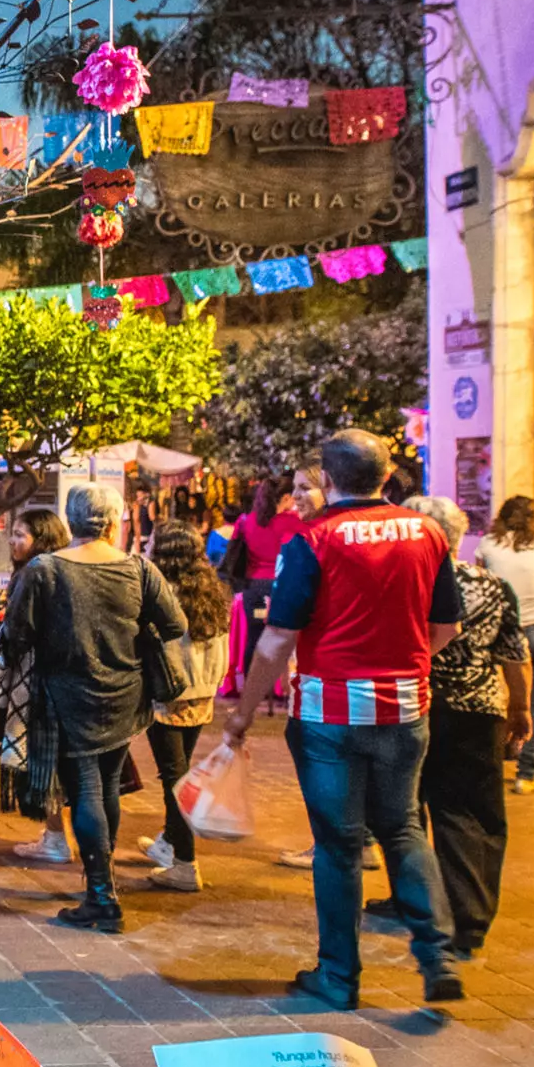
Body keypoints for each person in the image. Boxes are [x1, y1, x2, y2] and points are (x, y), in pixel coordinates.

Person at [225, 430, 466, 1009]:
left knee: (337, 845)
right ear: (385, 477)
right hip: (405, 708)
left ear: (328, 480)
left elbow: (278, 638)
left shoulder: (313, 541)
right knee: (403, 828)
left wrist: (242, 712)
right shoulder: (427, 534)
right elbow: (447, 627)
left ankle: (339, 975)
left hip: (329, 714)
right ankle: (437, 953)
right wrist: (402, 665)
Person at [0, 484, 189, 933]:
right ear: (111, 520)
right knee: (104, 787)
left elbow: (15, 635)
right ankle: (101, 885)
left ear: (71, 520)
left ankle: (102, 896)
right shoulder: (138, 568)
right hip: (125, 697)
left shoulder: (45, 570)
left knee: (86, 790)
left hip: (67, 696)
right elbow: (175, 623)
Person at [405, 496, 530, 961]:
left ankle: (437, 908)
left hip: (421, 707)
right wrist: (519, 708)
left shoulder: (412, 583)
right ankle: (473, 912)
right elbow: (514, 653)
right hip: (481, 709)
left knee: (417, 811)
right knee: (477, 814)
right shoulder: (493, 586)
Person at [137, 520, 232, 893]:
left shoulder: (160, 593)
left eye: (151, 543)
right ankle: (169, 842)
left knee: (175, 779)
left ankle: (185, 863)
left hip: (168, 693)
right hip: (201, 693)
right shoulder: (209, 590)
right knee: (180, 770)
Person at [477, 494, 534, 792]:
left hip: (509, 630)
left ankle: (497, 759)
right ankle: (526, 775)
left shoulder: (489, 546)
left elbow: (486, 586)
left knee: (507, 698)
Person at [0, 508, 74, 865]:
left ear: (41, 538)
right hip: (62, 680)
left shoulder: (35, 573)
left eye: (21, 534)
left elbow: (20, 631)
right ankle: (57, 835)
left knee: (45, 759)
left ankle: (57, 838)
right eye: (12, 533)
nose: (13, 541)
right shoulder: (64, 569)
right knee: (57, 761)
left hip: (37, 682)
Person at [227, 484, 305, 680]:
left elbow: (235, 548)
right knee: (282, 639)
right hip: (281, 588)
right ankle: (278, 684)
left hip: (253, 587)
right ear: (285, 497)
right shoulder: (292, 521)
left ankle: (250, 681)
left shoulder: (246, 521)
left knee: (253, 636)